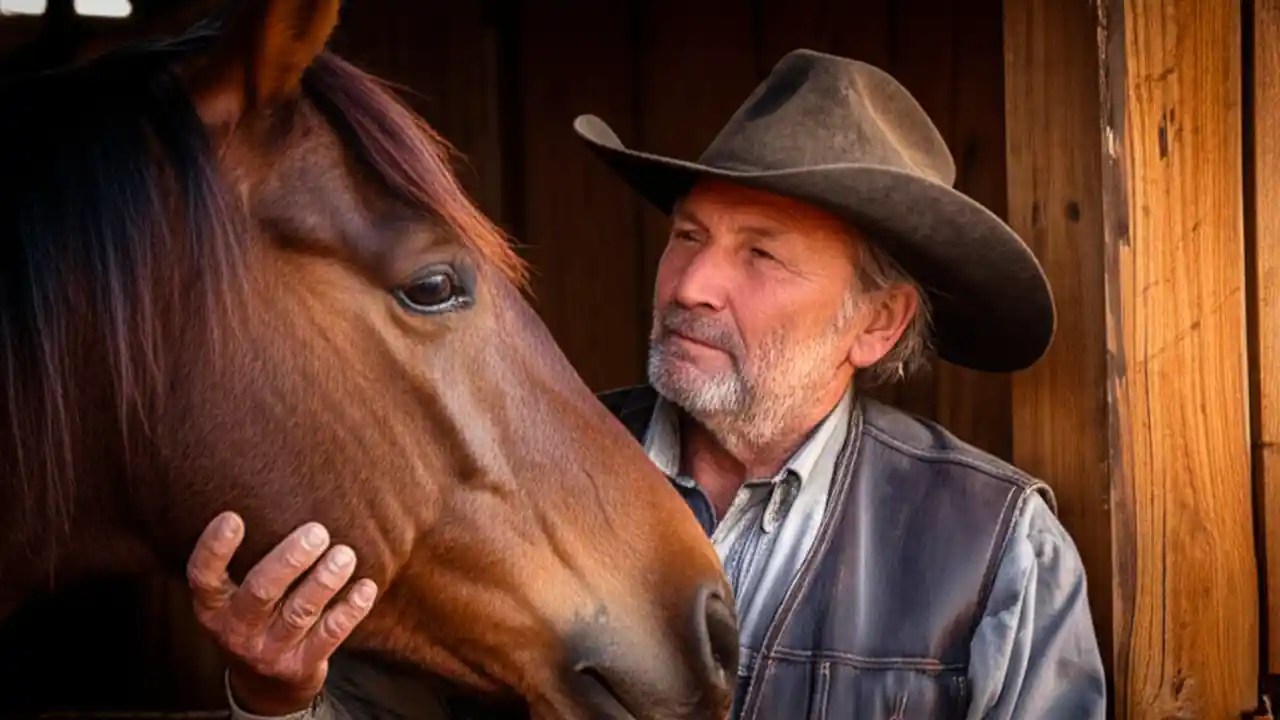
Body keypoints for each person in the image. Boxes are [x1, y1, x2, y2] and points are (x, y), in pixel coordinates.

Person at [186, 49, 1107, 719]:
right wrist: (280, 696)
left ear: (877, 323)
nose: (693, 285)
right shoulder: (520, 468)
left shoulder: (997, 551)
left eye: (762, 256)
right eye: (690, 236)